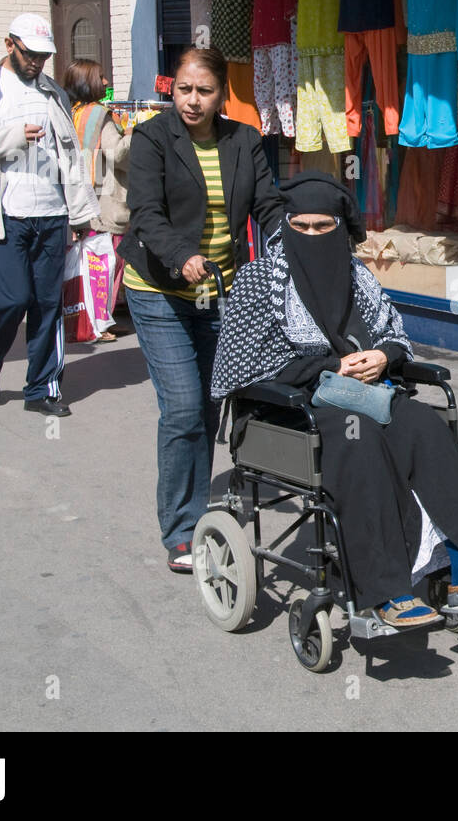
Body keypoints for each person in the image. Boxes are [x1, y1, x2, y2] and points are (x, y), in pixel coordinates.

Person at [211, 172, 458, 627]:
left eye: (324, 226)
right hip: (290, 409)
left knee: (425, 426)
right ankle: (388, 590)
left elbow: (394, 335)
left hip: (365, 395)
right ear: (286, 226)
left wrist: (382, 356)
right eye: (302, 227)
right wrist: (326, 368)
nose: (313, 235)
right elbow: (238, 368)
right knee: (362, 441)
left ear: (342, 226)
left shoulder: (359, 277)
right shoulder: (260, 280)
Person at [121, 46, 282, 573]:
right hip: (159, 287)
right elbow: (145, 212)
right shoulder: (151, 138)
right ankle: (182, 528)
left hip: (219, 291)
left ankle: (195, 501)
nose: (192, 101)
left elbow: (268, 205)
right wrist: (181, 255)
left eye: (204, 91)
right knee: (185, 407)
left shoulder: (244, 141)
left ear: (221, 95)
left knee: (211, 408)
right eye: (184, 89)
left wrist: (300, 238)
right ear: (174, 90)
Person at [0, 13, 98, 418]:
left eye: (44, 57)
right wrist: (10, 137)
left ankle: (42, 389)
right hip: (4, 213)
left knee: (48, 304)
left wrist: (80, 212)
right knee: (13, 299)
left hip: (51, 212)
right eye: (30, 54)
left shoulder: (53, 93)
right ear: (9, 44)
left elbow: (71, 157)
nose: (37, 63)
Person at [64, 59, 132, 340]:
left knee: (90, 261)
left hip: (81, 197)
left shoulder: (72, 113)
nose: (105, 83)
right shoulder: (100, 115)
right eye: (100, 77)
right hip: (104, 200)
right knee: (106, 263)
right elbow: (116, 154)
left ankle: (96, 317)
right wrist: (132, 134)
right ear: (87, 82)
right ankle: (98, 322)